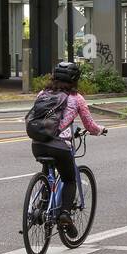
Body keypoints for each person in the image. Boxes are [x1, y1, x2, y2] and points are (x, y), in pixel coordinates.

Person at [29, 61, 107, 230]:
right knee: (69, 179)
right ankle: (64, 213)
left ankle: (41, 206)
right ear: (75, 79)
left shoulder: (43, 93)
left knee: (48, 173)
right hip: (60, 146)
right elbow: (90, 125)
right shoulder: (77, 99)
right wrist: (100, 130)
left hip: (38, 143)